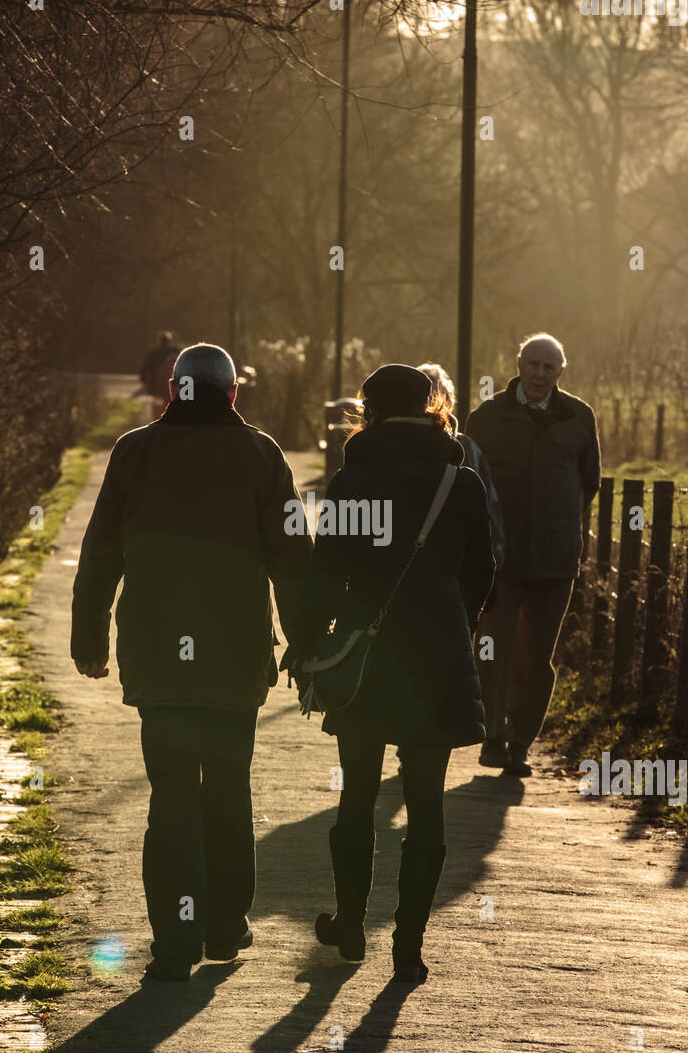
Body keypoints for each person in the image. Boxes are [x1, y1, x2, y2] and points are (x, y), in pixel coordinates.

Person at [70, 343, 313, 981]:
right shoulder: (263, 455)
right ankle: (226, 925)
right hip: (235, 658)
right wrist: (308, 644)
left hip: (159, 659)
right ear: (233, 394)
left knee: (171, 799)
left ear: (174, 389)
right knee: (228, 791)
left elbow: (100, 554)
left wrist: (88, 640)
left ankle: (173, 946)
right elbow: (292, 559)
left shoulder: (135, 452)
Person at [289, 364, 495, 984]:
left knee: (357, 794)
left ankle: (350, 925)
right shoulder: (462, 483)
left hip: (365, 655)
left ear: (369, 412)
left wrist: (307, 644)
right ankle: (408, 945)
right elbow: (482, 572)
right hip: (437, 654)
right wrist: (453, 619)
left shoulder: (353, 483)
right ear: (432, 407)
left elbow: (327, 574)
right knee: (425, 801)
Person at [464, 333, 601, 778]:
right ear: (518, 364)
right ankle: (492, 737)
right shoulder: (486, 418)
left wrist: (560, 527)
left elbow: (589, 483)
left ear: (561, 373)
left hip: (555, 562)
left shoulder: (579, 417)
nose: (540, 375)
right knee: (493, 647)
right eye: (533, 365)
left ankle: (520, 743)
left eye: (549, 368)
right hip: (498, 558)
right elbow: (467, 483)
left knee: (537, 655)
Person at [417, 362, 505, 570]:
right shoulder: (467, 448)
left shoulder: (468, 448)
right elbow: (488, 507)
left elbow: (487, 507)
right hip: (456, 562)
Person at [139, 332, 178, 420]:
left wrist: (143, 378)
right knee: (170, 400)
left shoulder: (155, 352)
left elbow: (146, 367)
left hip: (157, 383)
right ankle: (167, 418)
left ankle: (159, 420)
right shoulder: (175, 351)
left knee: (160, 402)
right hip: (171, 381)